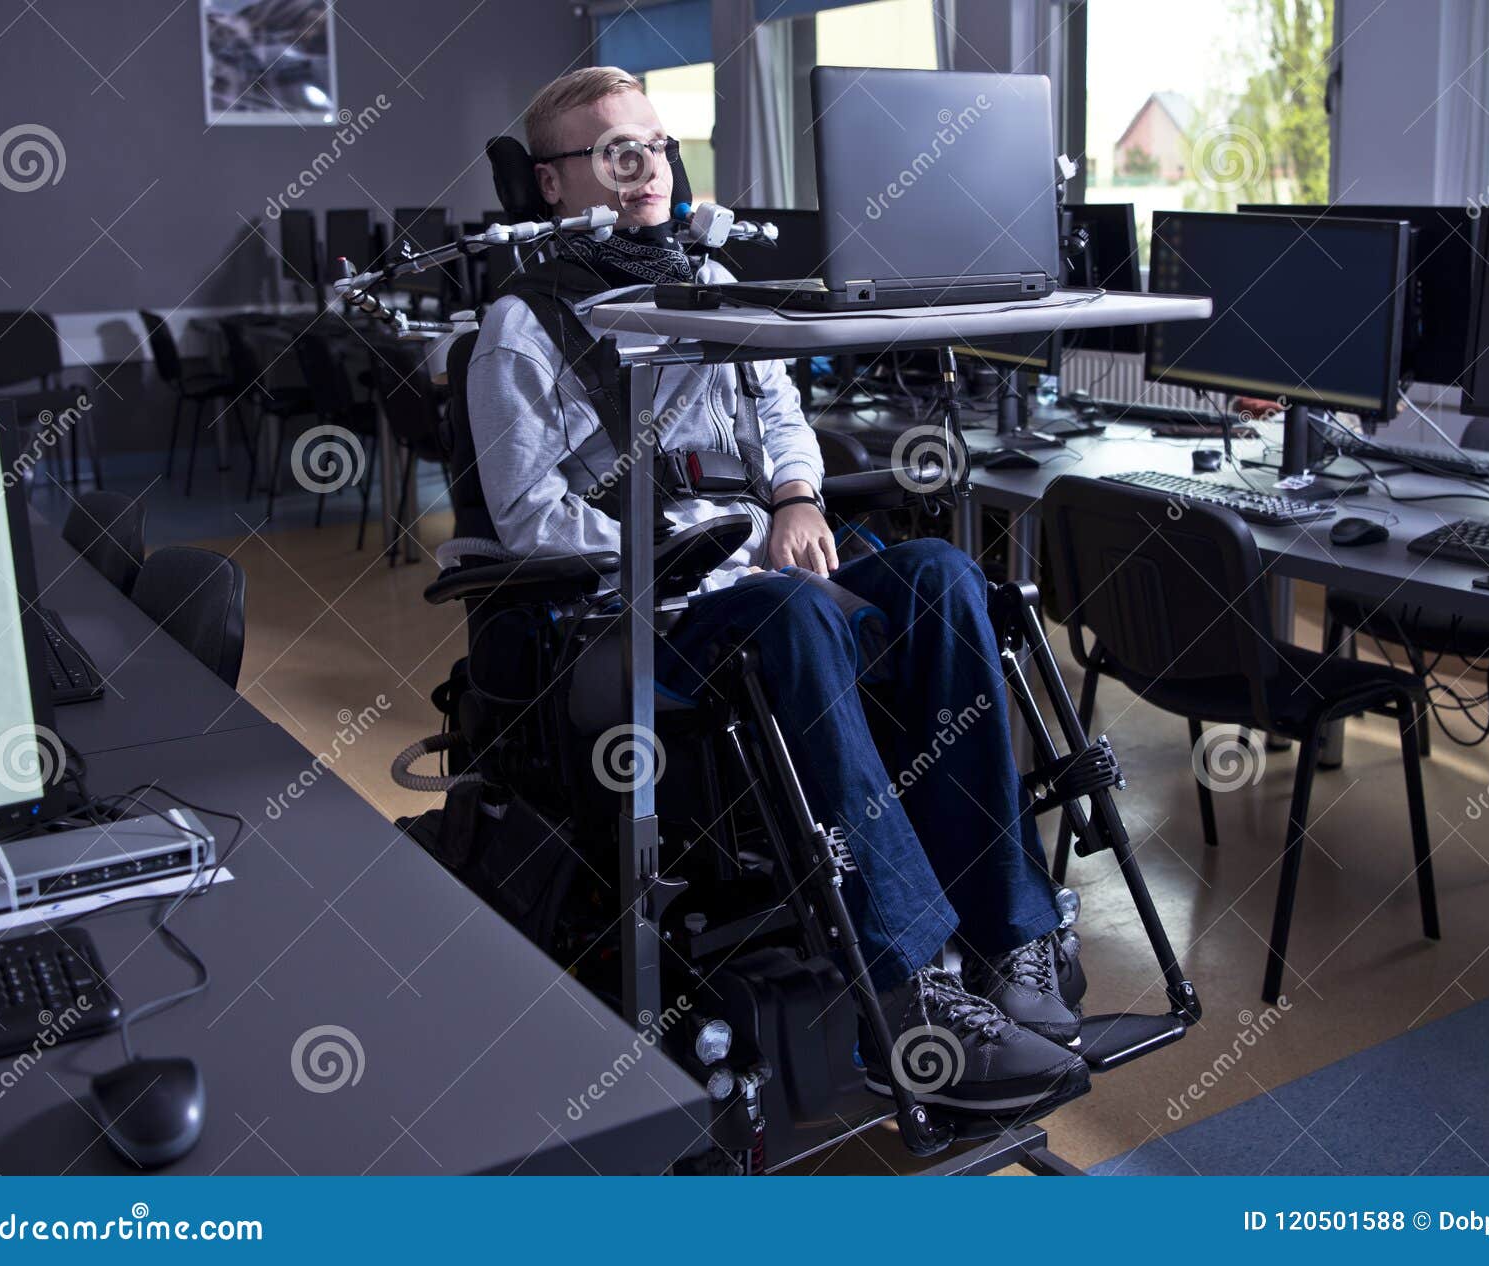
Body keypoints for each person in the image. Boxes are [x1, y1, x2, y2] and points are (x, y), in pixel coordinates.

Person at [466, 66, 1088, 1115]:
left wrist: (796, 499)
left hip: (759, 572)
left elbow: (780, 419)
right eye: (613, 151)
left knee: (936, 574)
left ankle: (1009, 934)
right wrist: (709, 550)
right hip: (643, 611)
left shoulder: (712, 285)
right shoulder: (520, 332)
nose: (643, 169)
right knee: (794, 610)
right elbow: (533, 522)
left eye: (656, 146)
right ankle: (911, 995)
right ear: (551, 183)